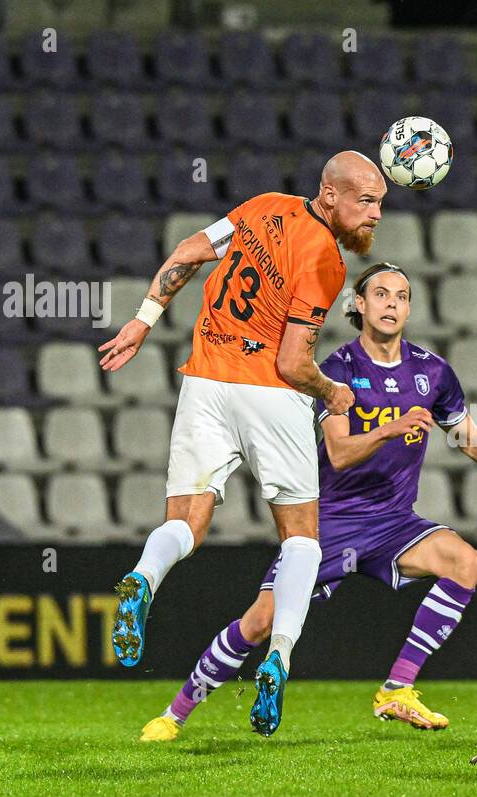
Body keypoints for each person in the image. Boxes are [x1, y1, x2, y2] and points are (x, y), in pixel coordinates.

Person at [140, 262, 477, 740]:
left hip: (394, 523)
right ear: (359, 305)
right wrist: (390, 428)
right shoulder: (336, 370)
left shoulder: (433, 371)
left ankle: (397, 688)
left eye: (401, 295)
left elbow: (466, 437)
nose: (392, 303)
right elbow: (339, 453)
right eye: (380, 294)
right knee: (258, 623)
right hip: (327, 524)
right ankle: (175, 714)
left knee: (466, 562)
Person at [99, 154, 384, 713]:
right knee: (301, 537)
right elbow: (293, 363)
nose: (376, 214)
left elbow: (187, 253)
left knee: (185, 522)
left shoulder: (261, 207)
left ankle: (142, 579)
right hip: (271, 395)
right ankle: (278, 656)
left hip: (205, 382)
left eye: (380, 202)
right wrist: (334, 392)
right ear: (329, 195)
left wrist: (142, 320)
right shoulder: (325, 260)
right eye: (365, 201)